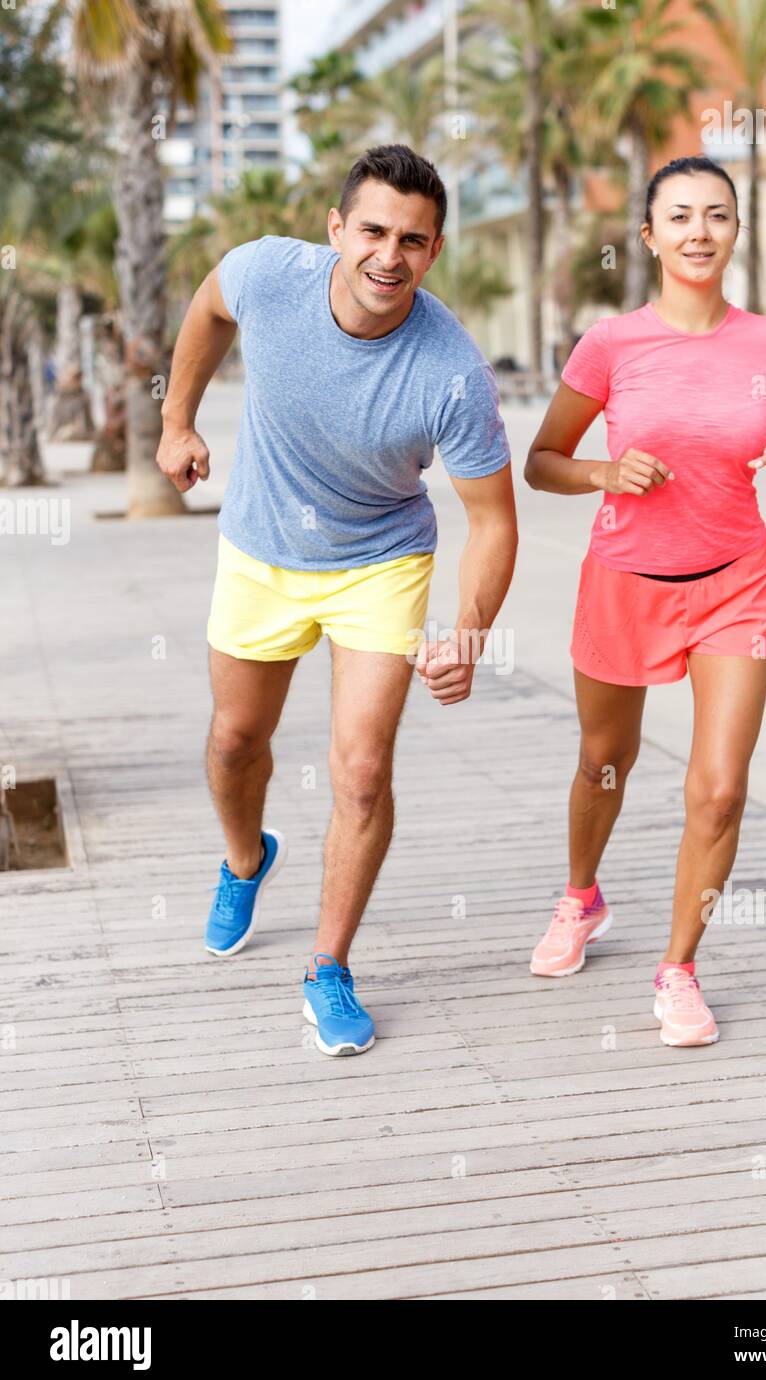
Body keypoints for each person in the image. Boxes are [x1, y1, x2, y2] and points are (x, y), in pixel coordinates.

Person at [156, 145, 517, 1057]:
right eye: (372, 231)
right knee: (237, 739)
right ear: (335, 229)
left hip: (379, 561)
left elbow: (494, 521)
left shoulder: (451, 371)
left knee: (361, 769)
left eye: (412, 239)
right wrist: (177, 420)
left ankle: (328, 965)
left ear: (434, 251)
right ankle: (246, 859)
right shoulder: (269, 274)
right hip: (261, 545)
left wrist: (468, 636)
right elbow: (207, 307)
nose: (388, 256)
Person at [524, 155, 766, 1046]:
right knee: (603, 763)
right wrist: (606, 471)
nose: (700, 231)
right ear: (648, 236)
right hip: (623, 585)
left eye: (717, 215)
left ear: (735, 231)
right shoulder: (610, 345)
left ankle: (678, 967)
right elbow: (540, 462)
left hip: (736, 586)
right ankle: (581, 896)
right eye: (680, 216)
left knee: (718, 791)